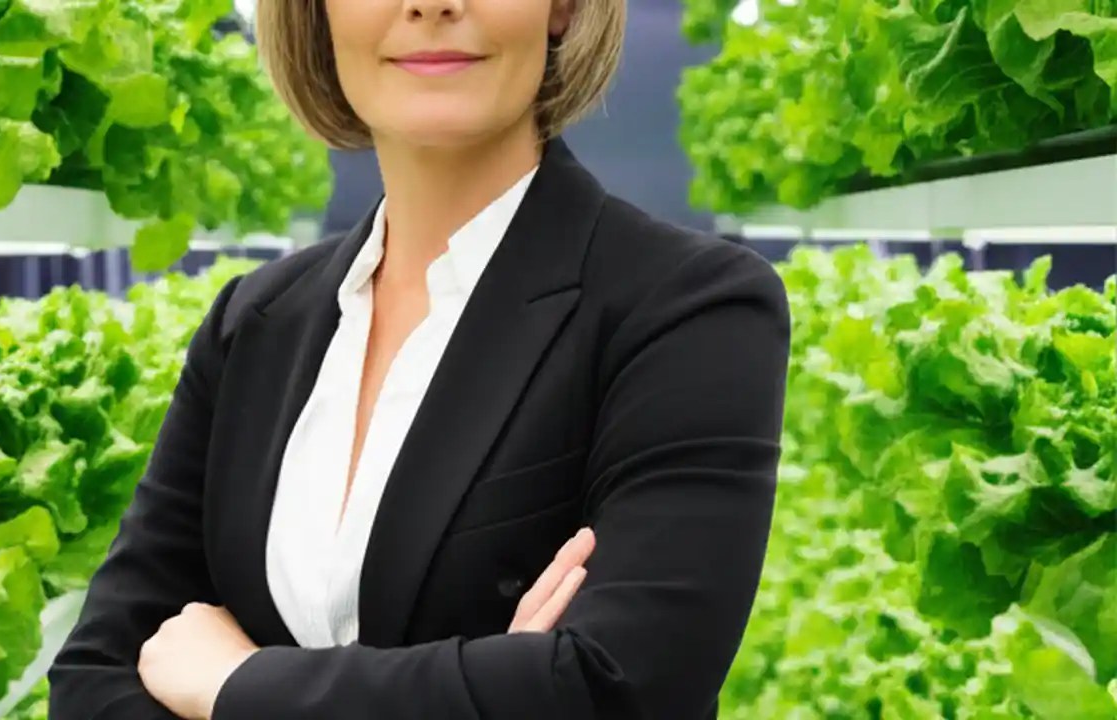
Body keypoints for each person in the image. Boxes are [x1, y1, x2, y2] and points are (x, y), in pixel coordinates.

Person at [47, 0, 791, 718]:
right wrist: (490, 685)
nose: (432, 3)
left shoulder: (689, 310)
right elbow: (94, 676)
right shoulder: (254, 324)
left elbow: (618, 687)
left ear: (561, 7)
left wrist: (234, 684)